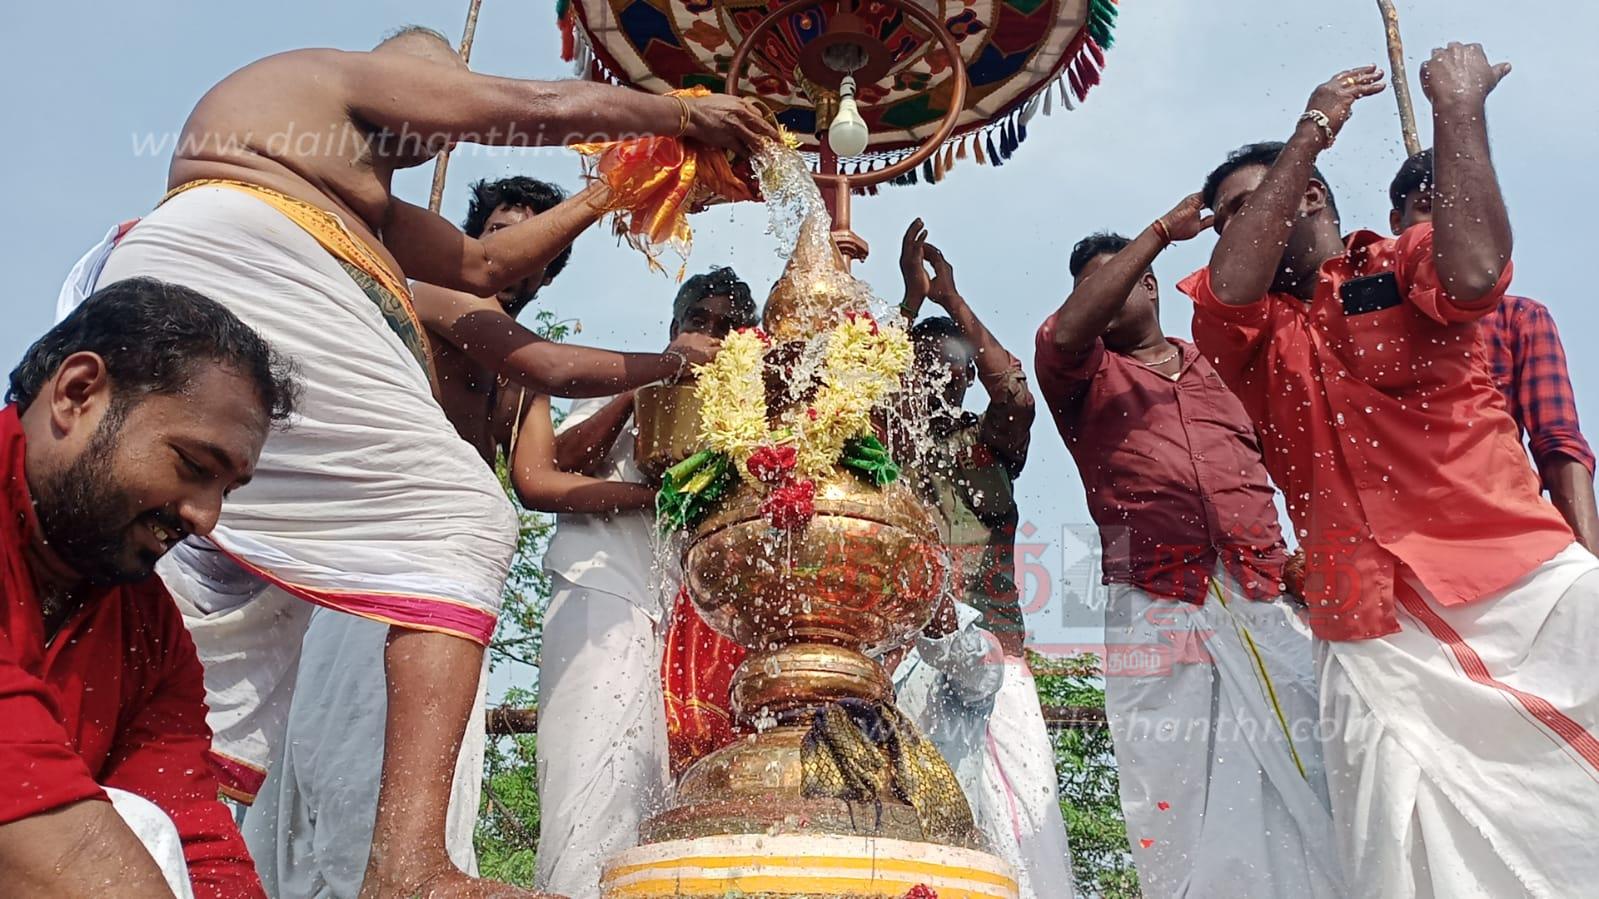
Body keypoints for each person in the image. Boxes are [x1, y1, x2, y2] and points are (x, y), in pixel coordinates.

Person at [59, 26, 778, 897]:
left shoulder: (364, 210)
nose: (440, 131)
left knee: (203, 605)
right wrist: (679, 118)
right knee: (463, 513)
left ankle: (135, 827)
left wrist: (613, 191)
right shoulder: (330, 85)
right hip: (245, 271)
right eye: (442, 93)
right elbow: (534, 108)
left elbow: (488, 267)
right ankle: (407, 866)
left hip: (253, 356)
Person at [1184, 46, 1599, 896]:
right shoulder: (1241, 330)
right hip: (1368, 630)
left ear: (1308, 198)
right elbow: (1226, 286)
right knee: (1399, 862)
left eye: (1243, 208)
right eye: (1224, 220)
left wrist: (1458, 109)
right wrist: (1310, 130)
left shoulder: (1400, 261)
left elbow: (1476, 273)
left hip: (1520, 580)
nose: (1232, 230)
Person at [241, 175, 726, 896]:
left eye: (533, 241)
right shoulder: (431, 295)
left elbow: (537, 480)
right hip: (378, 555)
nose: (514, 249)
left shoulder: (518, 368)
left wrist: (656, 498)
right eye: (498, 233)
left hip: (449, 586)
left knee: (428, 783)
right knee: (347, 763)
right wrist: (671, 364)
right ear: (475, 245)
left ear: (546, 267)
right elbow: (550, 365)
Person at [1035, 213, 1339, 897]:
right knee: (1173, 789)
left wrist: (1301, 559)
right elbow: (1063, 333)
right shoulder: (1080, 374)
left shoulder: (1223, 369)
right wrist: (1160, 233)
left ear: (1148, 286)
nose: (1098, 299)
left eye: (1114, 281)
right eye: (1087, 289)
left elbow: (1286, 470)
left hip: (1263, 594)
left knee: (1312, 764)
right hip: (1153, 603)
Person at [0, 278, 296, 898]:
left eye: (225, 490)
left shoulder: (150, 631)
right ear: (78, 393)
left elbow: (195, 842)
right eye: (193, 466)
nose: (206, 518)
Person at [538, 267, 758, 899]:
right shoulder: (625, 379)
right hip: (598, 594)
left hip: (664, 627)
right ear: (673, 327)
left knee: (640, 796)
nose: (710, 337)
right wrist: (644, 384)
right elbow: (555, 464)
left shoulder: (732, 418)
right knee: (587, 785)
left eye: (727, 328)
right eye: (699, 322)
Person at [895, 221, 1071, 898]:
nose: (942, 372)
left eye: (954, 362)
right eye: (926, 361)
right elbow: (849, 396)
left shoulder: (991, 441)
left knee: (1022, 829)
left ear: (969, 375)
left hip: (996, 649)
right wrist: (908, 305)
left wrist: (951, 300)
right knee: (918, 837)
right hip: (902, 657)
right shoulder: (879, 450)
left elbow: (1016, 392)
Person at [1389, 149, 1599, 551]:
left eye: (1459, 213)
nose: (1444, 228)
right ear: (1398, 223)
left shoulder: (1518, 319)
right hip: (1399, 538)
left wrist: (1588, 560)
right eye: (1427, 209)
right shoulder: (1368, 324)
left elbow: (1558, 445)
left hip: (1506, 529)